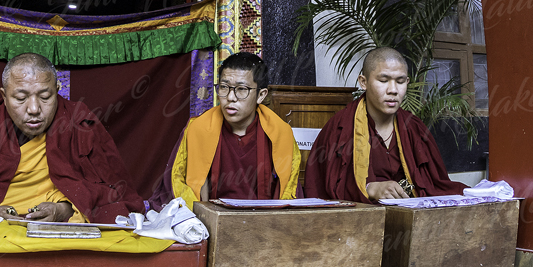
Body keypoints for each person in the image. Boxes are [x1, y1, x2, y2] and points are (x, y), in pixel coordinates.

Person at [0, 53, 144, 223]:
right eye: (21, 98)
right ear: (4, 96)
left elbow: (111, 192)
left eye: (45, 97)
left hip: (64, 227)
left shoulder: (78, 121)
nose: (34, 109)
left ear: (58, 91)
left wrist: (63, 209)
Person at [304, 47, 465, 203]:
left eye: (400, 81)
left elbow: (436, 185)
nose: (393, 90)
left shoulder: (415, 127)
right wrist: (369, 189)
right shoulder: (340, 127)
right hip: (362, 223)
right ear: (363, 82)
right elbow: (321, 190)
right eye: (383, 80)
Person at [151, 52, 300, 207]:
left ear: (261, 95)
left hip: (264, 221)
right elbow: (176, 186)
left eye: (241, 89)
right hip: (211, 223)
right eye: (224, 87)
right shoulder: (198, 129)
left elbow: (289, 194)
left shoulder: (280, 134)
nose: (230, 97)